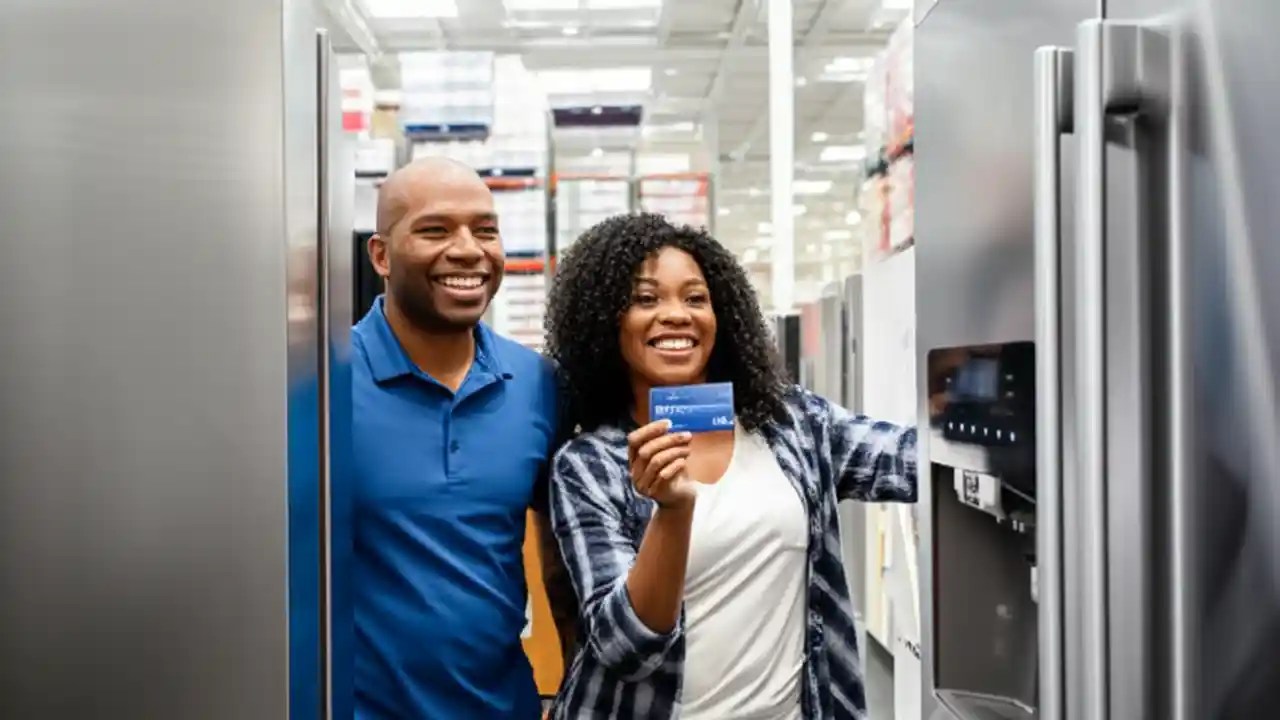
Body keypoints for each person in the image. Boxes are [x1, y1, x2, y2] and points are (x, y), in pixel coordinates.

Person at [542, 213, 918, 719]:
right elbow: (625, 648)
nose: (676, 314)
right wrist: (672, 512)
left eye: (695, 298)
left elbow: (910, 461)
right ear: (604, 322)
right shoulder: (589, 466)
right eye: (646, 299)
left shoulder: (793, 425)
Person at [352, 157, 573, 719]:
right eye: (435, 230)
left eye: (485, 229)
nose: (468, 249)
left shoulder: (537, 385)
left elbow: (559, 566)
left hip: (506, 706)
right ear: (381, 255)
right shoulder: (323, 382)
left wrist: (577, 691)